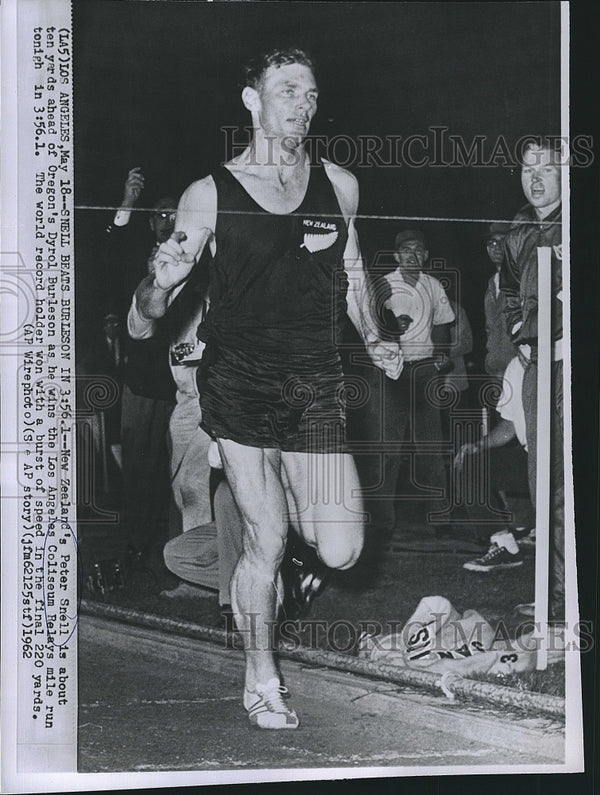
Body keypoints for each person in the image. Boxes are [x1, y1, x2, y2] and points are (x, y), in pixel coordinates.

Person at [133, 46, 402, 729]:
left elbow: (351, 270)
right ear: (252, 100)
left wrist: (375, 337)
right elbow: (143, 323)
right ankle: (261, 677)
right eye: (288, 90)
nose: (303, 104)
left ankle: (283, 527)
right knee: (266, 540)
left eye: (311, 94)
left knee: (340, 546)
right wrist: (155, 285)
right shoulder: (208, 194)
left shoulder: (338, 185)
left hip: (314, 386)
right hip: (240, 388)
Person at [500, 137, 564, 621]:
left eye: (546, 167)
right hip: (536, 370)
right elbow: (506, 292)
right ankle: (555, 595)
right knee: (543, 486)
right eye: (527, 168)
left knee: (571, 484)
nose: (535, 177)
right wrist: (520, 332)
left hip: (571, 365)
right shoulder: (519, 233)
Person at [105, 169, 177, 559]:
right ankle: (136, 546)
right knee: (136, 467)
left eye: (176, 215)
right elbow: (110, 248)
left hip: (181, 384)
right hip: (140, 380)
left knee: (178, 473)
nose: (170, 221)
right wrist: (129, 201)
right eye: (163, 215)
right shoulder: (138, 257)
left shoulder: (193, 259)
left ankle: (172, 551)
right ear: (151, 222)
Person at [365, 229, 455, 535]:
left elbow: (443, 324)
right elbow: (370, 325)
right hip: (392, 371)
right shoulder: (382, 285)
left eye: (418, 250)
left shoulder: (433, 285)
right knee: (388, 448)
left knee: (431, 446)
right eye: (406, 250)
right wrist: (392, 326)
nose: (412, 255)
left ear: (426, 256)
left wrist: (442, 353)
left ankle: (440, 519)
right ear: (396, 255)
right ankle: (382, 522)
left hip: (426, 371)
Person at [455, 353, 532, 571]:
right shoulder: (517, 365)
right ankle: (504, 544)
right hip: (531, 460)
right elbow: (509, 426)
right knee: (470, 462)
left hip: (564, 463)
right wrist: (479, 446)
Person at [483, 222, 519, 381]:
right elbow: (490, 328)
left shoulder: (521, 281)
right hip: (495, 368)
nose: (496, 247)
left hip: (518, 367)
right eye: (492, 242)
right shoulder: (491, 283)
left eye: (502, 241)